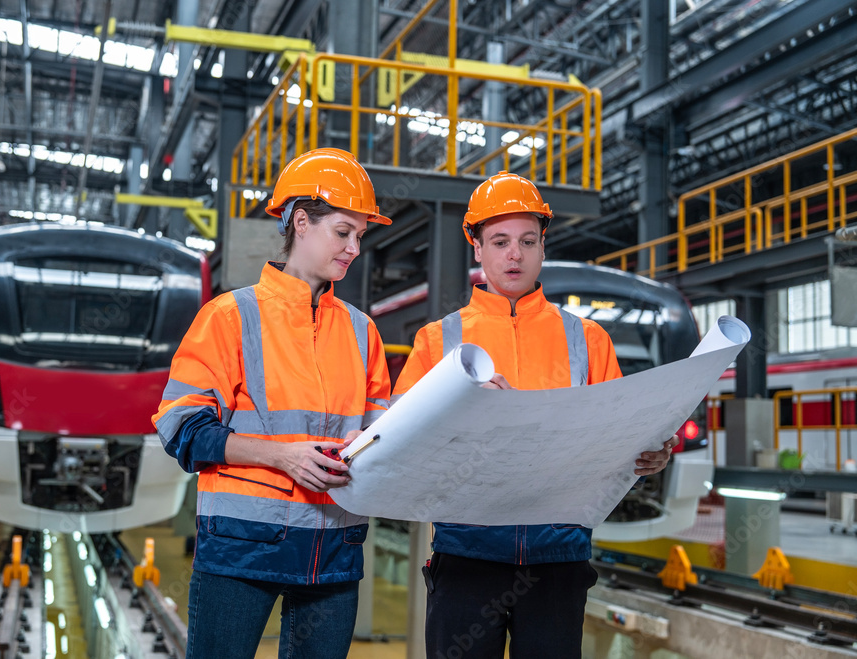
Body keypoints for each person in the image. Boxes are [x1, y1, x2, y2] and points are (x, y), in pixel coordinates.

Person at [392, 171, 679, 659]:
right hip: (467, 554)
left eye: (528, 241)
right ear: (476, 248)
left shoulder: (588, 339)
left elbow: (618, 437)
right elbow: (401, 442)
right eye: (500, 241)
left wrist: (650, 452)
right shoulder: (437, 341)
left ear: (543, 246)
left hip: (558, 558)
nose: (515, 255)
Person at [153, 148, 392, 659]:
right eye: (343, 232)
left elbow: (382, 430)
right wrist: (282, 456)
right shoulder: (230, 317)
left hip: (333, 552)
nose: (354, 248)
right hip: (241, 548)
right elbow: (181, 427)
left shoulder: (362, 331)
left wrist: (371, 442)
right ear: (301, 222)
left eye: (360, 236)